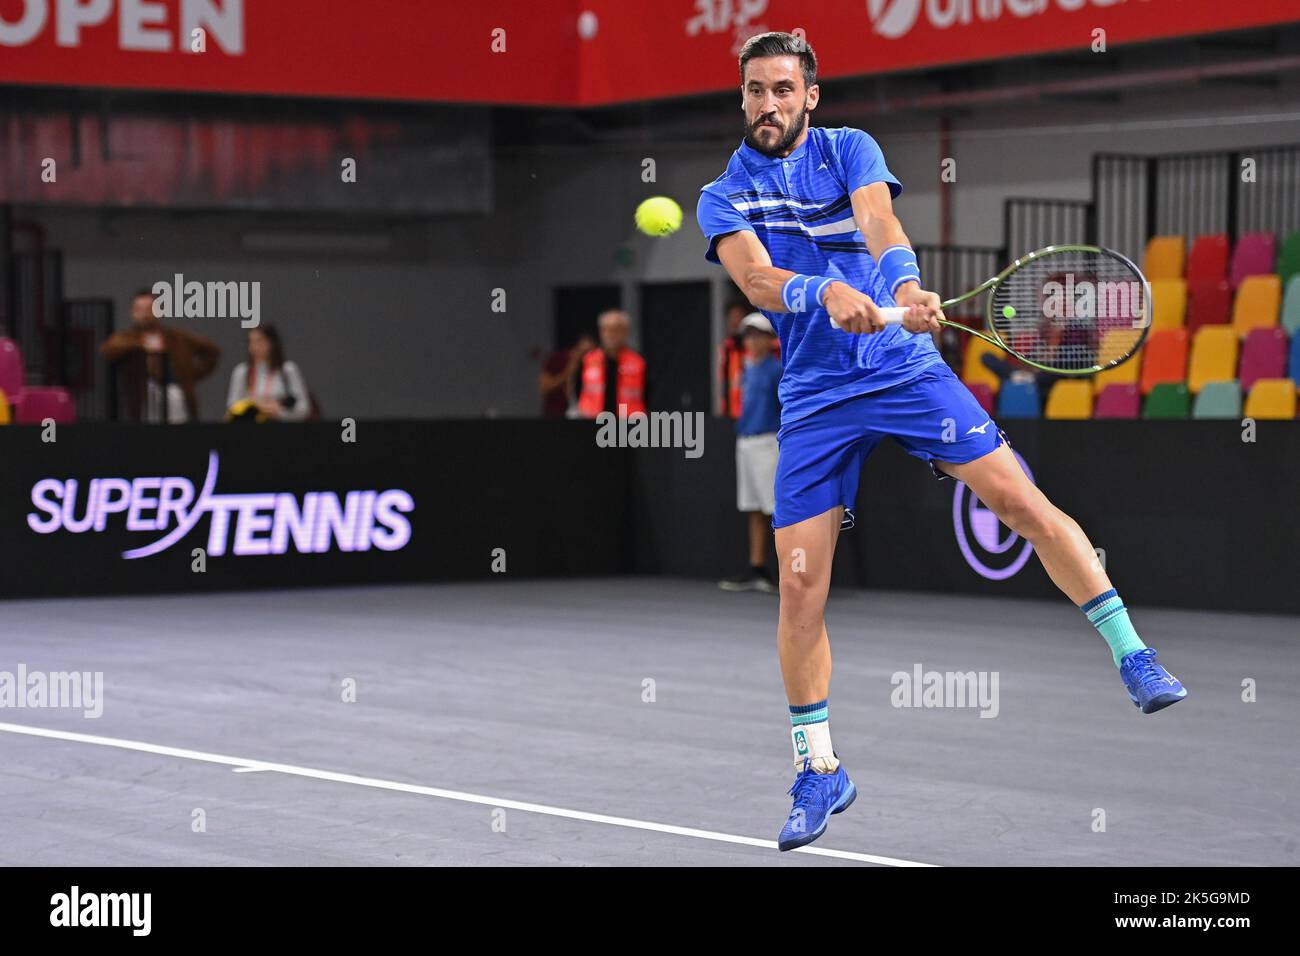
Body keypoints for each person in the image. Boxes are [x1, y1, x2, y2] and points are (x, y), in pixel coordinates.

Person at [696, 32, 1186, 852]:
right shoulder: (722, 194)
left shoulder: (850, 148)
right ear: (742, 98)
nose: (768, 105)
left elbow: (878, 220)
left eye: (783, 89)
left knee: (1019, 500)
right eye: (754, 91)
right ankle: (820, 770)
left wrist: (904, 287)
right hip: (817, 398)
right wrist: (825, 290)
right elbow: (756, 281)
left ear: (810, 96)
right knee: (799, 586)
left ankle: (1132, 653)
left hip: (901, 371)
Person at [719, 313, 781, 593]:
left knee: (776, 510)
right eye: (749, 336)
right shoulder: (744, 370)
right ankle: (758, 567)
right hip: (745, 441)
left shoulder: (777, 370)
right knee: (755, 509)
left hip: (769, 442)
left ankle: (791, 571)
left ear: (770, 339)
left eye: (758, 335)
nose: (753, 341)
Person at [101, 288, 221, 422]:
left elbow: (212, 351)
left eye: (149, 308)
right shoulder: (127, 338)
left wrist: (189, 375)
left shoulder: (176, 337)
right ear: (133, 312)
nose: (145, 313)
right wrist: (141, 344)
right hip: (142, 400)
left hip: (175, 396)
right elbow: (108, 350)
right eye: (139, 309)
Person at [226, 325, 311, 422]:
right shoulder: (242, 371)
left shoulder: (287, 370)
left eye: (259, 341)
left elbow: (304, 408)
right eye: (251, 342)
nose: (254, 347)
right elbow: (232, 407)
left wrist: (279, 412)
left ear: (272, 343)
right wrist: (254, 406)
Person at [576, 309, 647, 417]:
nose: (611, 334)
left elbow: (648, 393)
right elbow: (578, 389)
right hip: (592, 422)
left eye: (616, 330)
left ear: (626, 332)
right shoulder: (588, 360)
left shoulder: (638, 362)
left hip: (628, 423)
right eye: (606, 329)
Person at [539, 332, 597, 419]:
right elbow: (544, 388)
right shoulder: (558, 359)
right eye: (585, 352)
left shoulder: (594, 365)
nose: (587, 356)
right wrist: (569, 372)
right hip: (555, 414)